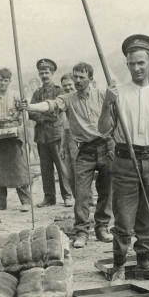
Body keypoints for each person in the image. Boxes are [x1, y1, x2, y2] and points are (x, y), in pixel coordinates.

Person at [98, 35, 149, 279]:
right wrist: (106, 104)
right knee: (123, 217)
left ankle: (144, 262)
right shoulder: (117, 94)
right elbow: (103, 129)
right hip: (125, 160)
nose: (136, 68)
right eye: (132, 63)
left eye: (141, 63)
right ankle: (120, 265)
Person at [27, 61, 114, 249]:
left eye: (82, 77)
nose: (78, 80)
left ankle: (102, 228)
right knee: (81, 192)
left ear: (90, 79)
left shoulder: (102, 96)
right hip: (85, 150)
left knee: (106, 190)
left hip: (106, 147)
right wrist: (31, 107)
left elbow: (116, 118)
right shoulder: (68, 98)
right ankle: (82, 232)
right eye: (76, 76)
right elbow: (50, 105)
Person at [25, 58, 74, 208]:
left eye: (46, 72)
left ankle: (67, 196)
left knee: (62, 167)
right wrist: (44, 118)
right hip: (41, 136)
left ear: (52, 73)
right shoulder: (37, 93)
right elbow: (31, 112)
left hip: (56, 134)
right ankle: (49, 197)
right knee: (45, 168)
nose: (44, 75)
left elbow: (56, 112)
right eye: (41, 73)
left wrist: (43, 117)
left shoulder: (59, 91)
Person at [0, 68, 31, 211]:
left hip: (13, 134)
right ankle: (0, 201)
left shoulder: (16, 96)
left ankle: (25, 200)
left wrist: (22, 127)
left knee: (18, 166)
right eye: (1, 80)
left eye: (6, 80)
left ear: (9, 81)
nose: (3, 83)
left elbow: (24, 114)